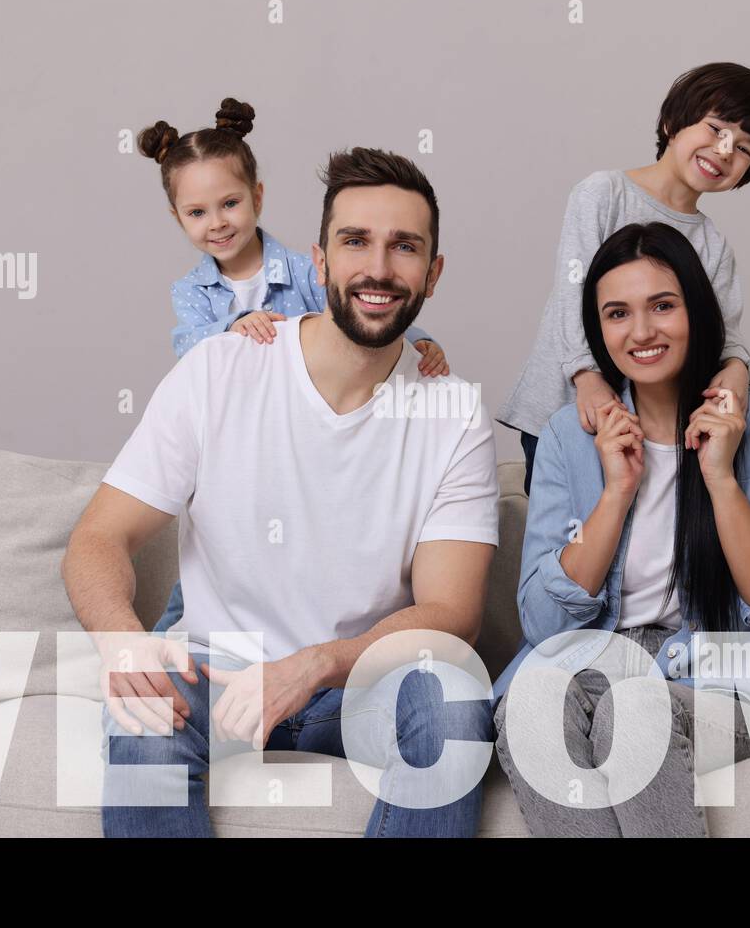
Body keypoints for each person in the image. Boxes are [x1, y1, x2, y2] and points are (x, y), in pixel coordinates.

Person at [63, 146, 499, 837]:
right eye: (355, 241)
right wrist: (123, 642)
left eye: (405, 247)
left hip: (357, 687)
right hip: (217, 675)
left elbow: (453, 612)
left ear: (433, 273)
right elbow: (98, 537)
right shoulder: (219, 371)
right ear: (318, 261)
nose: (379, 268)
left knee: (452, 698)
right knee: (141, 711)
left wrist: (316, 664)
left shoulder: (455, 415)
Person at [491, 221, 750, 837]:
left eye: (662, 306)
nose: (641, 332)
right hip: (584, 666)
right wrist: (617, 491)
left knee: (634, 708)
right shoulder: (571, 434)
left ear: (696, 310)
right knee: (530, 708)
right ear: (599, 331)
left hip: (717, 680)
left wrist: (722, 478)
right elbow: (543, 625)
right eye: (617, 313)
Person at [136, 97, 450, 636]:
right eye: (197, 213)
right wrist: (231, 329)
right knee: (209, 566)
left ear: (257, 196)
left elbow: (364, 313)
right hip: (244, 437)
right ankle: (178, 633)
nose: (218, 223)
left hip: (306, 431)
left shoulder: (307, 269)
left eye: (230, 203)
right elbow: (189, 346)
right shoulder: (192, 292)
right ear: (177, 218)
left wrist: (421, 342)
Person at [497, 62, 750, 496]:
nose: (726, 150)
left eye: (745, 149)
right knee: (568, 541)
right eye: (716, 129)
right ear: (673, 122)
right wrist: (588, 378)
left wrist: (737, 369)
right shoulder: (604, 193)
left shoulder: (712, 245)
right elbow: (571, 294)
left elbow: (723, 330)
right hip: (564, 408)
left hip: (642, 426)